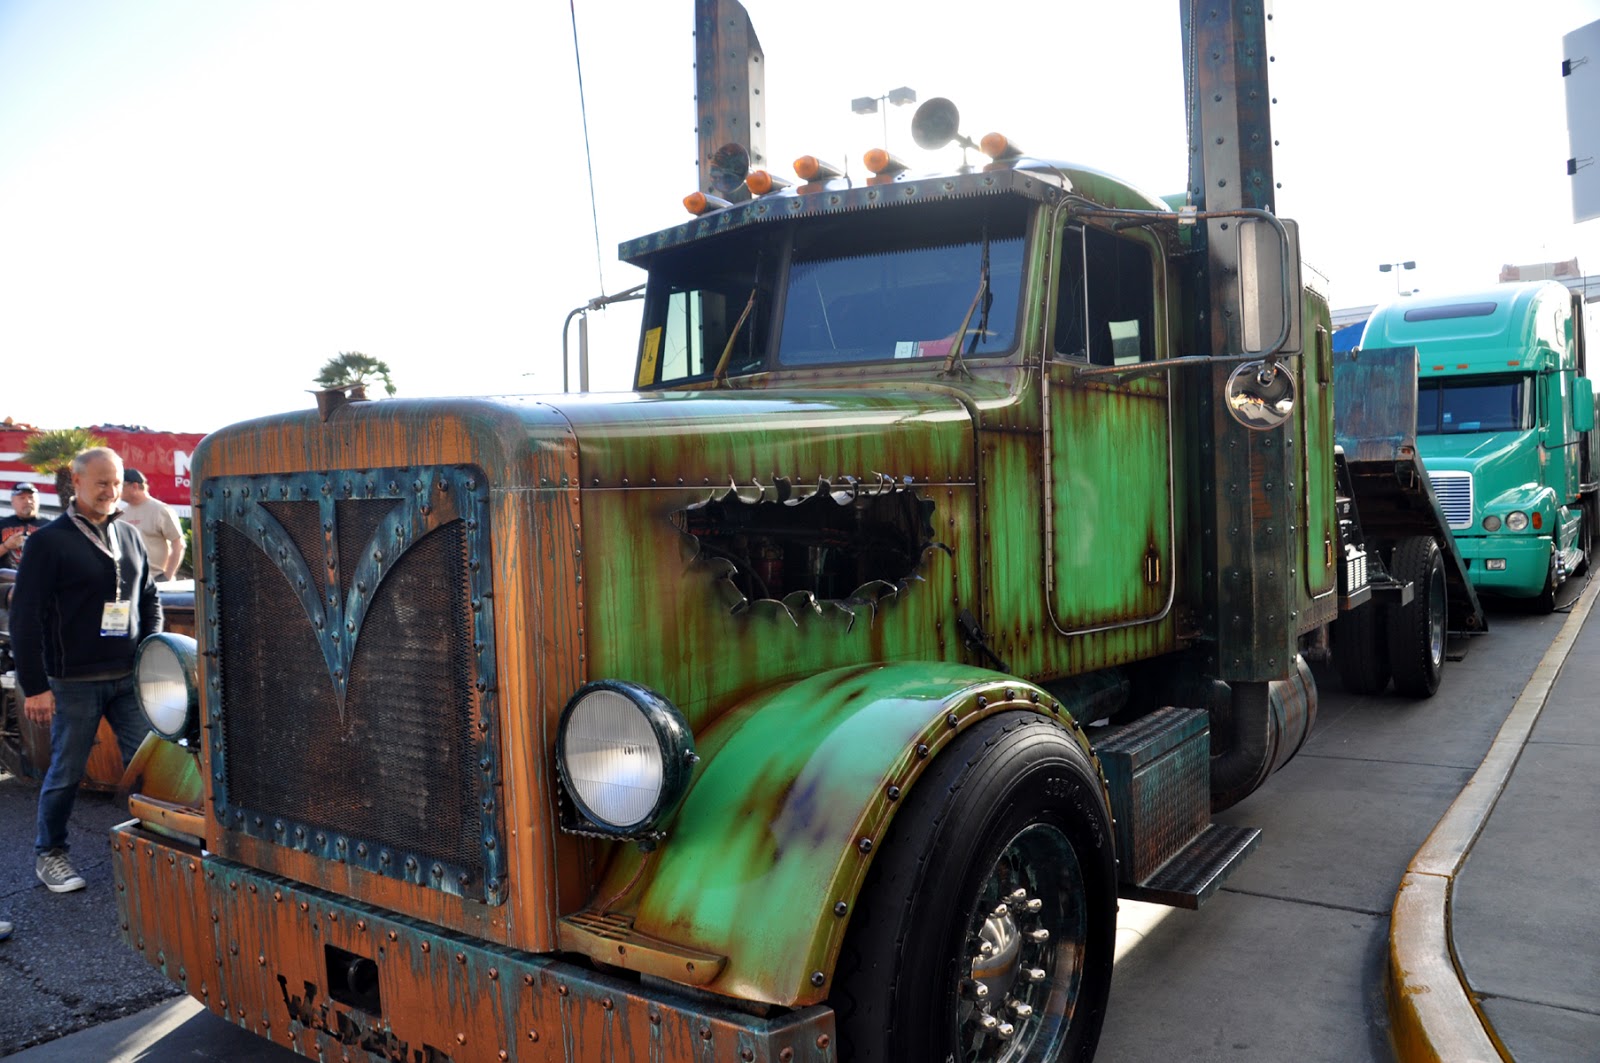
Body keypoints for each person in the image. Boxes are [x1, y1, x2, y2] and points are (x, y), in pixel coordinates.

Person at [8, 447, 161, 893]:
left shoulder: (128, 535)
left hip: (129, 678)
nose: (110, 491)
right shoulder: (47, 542)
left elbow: (149, 598)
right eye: (101, 483)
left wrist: (151, 652)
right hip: (72, 681)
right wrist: (35, 686)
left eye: (115, 483)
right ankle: (50, 854)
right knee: (67, 773)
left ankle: (158, 848)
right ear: (75, 483)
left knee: (151, 768)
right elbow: (24, 617)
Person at [117, 469, 184, 582]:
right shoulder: (121, 514)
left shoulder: (160, 510)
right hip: (130, 581)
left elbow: (178, 544)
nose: (117, 490)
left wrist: (167, 576)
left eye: (120, 485)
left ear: (134, 486)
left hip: (156, 579)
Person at [0, 482, 46, 569]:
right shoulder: (2, 525)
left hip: (39, 576)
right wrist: (6, 546)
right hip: (7, 576)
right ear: (13, 502)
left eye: (31, 497)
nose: (27, 501)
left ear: (38, 500)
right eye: (22, 498)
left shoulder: (50, 526)